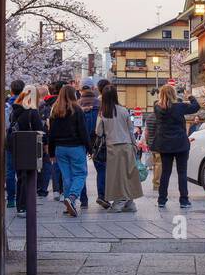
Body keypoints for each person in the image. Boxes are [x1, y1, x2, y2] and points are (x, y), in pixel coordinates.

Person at [153, 83, 200, 208]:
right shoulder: (180, 107)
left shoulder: (157, 107)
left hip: (165, 144)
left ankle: (161, 200)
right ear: (174, 94)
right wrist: (189, 97)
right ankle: (184, 200)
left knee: (165, 173)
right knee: (182, 173)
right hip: (180, 144)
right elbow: (196, 107)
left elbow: (161, 103)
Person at [48, 83, 92, 216]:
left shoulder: (55, 110)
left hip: (60, 148)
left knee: (66, 176)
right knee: (80, 174)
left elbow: (52, 133)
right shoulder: (77, 110)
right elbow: (83, 131)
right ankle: (72, 197)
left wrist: (51, 151)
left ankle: (69, 206)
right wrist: (89, 148)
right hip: (76, 146)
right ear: (74, 95)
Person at [97, 85, 142, 212]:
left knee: (116, 176)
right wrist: (134, 145)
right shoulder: (123, 110)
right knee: (128, 175)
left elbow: (98, 132)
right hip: (127, 145)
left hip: (113, 147)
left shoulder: (103, 113)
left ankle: (119, 202)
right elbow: (130, 130)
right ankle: (130, 202)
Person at [9, 84, 46, 215]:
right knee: (28, 177)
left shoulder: (15, 110)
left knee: (20, 177)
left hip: (17, 145)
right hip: (30, 146)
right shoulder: (32, 111)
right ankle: (25, 205)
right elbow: (40, 130)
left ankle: (20, 205)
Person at [77, 76, 104, 208]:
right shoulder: (100, 104)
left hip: (80, 141)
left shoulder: (76, 105)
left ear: (81, 89)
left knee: (81, 171)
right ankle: (102, 196)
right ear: (93, 88)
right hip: (98, 142)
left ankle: (83, 201)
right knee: (101, 169)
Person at [4, 78, 25, 208]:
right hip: (23, 139)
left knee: (10, 170)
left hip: (10, 139)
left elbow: (6, 124)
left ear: (11, 91)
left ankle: (10, 199)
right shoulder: (27, 104)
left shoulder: (7, 106)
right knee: (21, 171)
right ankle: (21, 199)